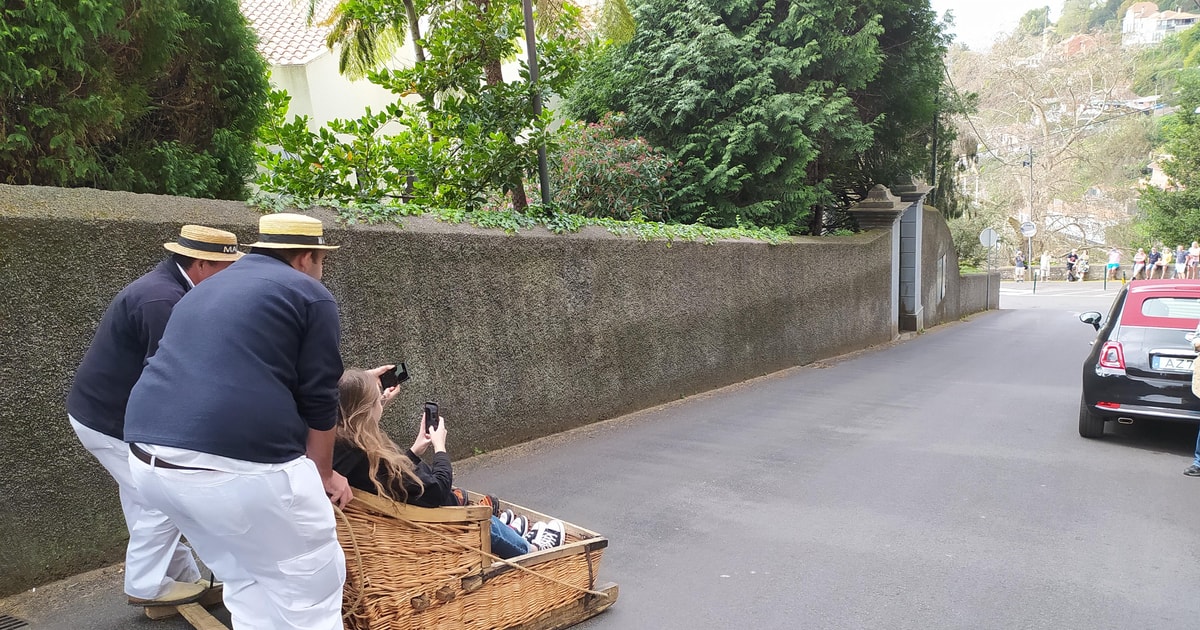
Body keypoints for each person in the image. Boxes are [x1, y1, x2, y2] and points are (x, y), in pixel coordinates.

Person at [124, 214, 349, 629]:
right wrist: (324, 474)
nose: (322, 271)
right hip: (237, 471)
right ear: (305, 258)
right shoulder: (309, 294)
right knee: (309, 593)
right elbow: (320, 395)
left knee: (245, 580)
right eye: (322, 261)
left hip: (148, 458)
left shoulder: (203, 289)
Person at [67, 225, 241, 606]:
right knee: (165, 498)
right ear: (200, 264)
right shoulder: (162, 300)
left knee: (143, 498)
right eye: (226, 266)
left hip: (104, 414)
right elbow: (174, 375)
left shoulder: (170, 289)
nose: (232, 275)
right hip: (110, 421)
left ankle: (177, 580)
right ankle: (146, 586)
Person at [332, 369, 566, 558]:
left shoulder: (343, 449)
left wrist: (415, 450)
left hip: (397, 515)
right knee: (482, 521)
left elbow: (389, 476)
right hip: (435, 523)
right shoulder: (369, 456)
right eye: (378, 400)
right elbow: (437, 490)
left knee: (474, 507)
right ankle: (532, 549)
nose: (383, 401)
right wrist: (439, 447)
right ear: (366, 410)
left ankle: (512, 531)